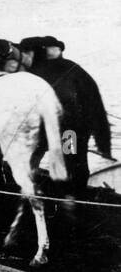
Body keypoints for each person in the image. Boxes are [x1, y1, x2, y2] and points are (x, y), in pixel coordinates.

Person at [21, 35, 113, 192]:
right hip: (64, 130)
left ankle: (38, 192)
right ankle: (72, 198)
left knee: (62, 162)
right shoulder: (72, 69)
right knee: (71, 163)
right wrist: (103, 144)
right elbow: (96, 106)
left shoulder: (33, 71)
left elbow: (93, 104)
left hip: (60, 131)